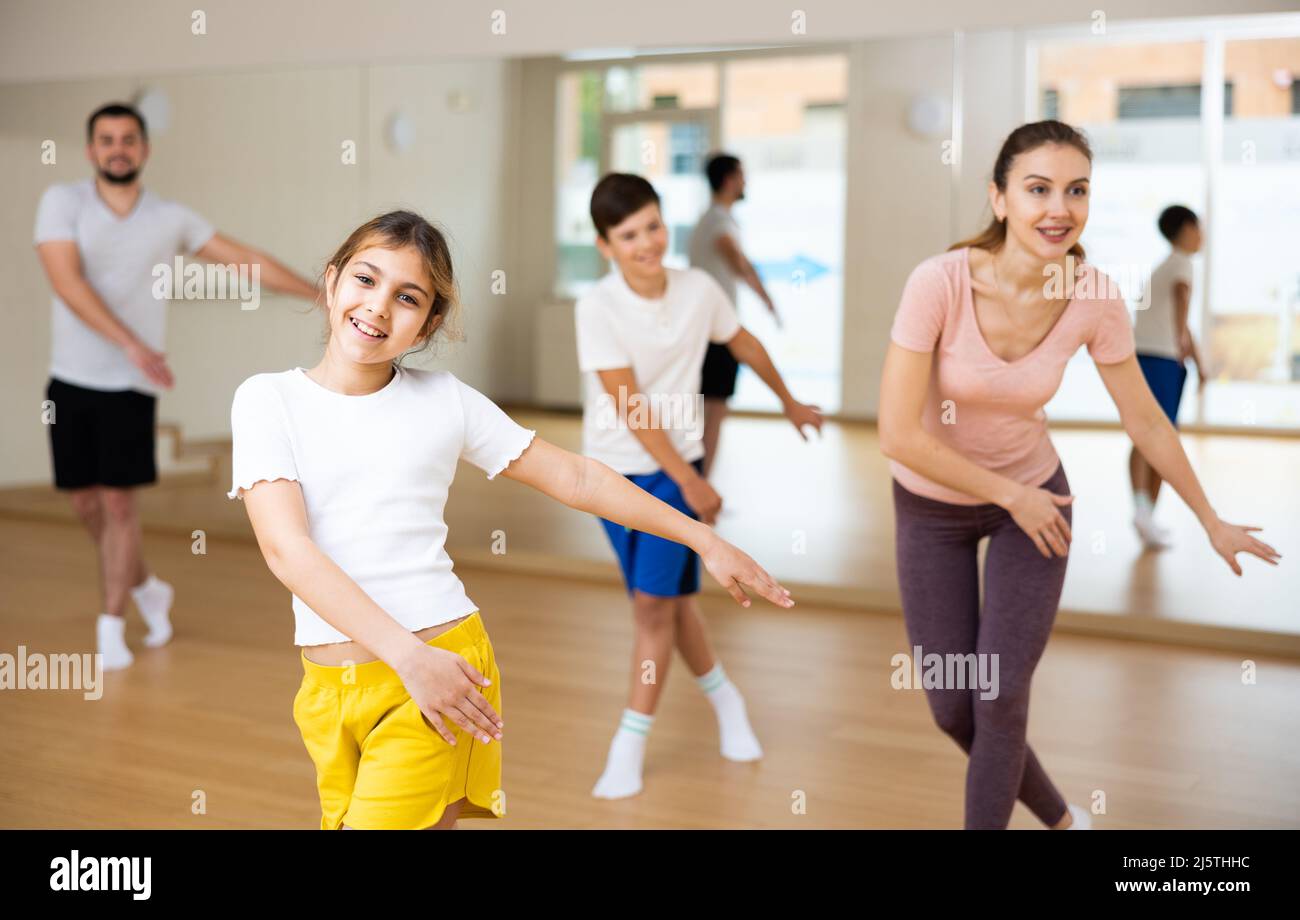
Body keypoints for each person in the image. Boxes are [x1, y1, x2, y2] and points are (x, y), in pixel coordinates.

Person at [228, 209, 795, 830]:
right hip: (327, 691)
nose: (379, 308)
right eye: (365, 280)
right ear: (332, 282)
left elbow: (576, 477)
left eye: (407, 297)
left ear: (429, 322)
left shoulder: (444, 400)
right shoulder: (267, 399)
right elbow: (287, 549)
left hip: (438, 665)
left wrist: (702, 538)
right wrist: (403, 658)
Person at [877, 120, 1280, 830]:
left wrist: (1210, 519)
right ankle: (1063, 819)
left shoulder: (1094, 295)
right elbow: (896, 433)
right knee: (953, 706)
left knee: (999, 696)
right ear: (999, 199)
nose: (1058, 208)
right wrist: (1009, 494)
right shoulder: (937, 283)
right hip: (937, 506)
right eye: (1037, 189)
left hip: (1036, 502)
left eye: (1076, 190)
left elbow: (1148, 420)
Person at [33, 102, 318, 670]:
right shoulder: (62, 203)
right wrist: (132, 342)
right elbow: (66, 281)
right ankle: (148, 588)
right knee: (86, 503)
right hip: (70, 381)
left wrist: (318, 293)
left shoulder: (169, 217)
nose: (119, 148)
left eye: (129, 139)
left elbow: (243, 259)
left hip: (131, 389)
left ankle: (112, 625)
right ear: (92, 150)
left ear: (144, 149)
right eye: (107, 139)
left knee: (119, 504)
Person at [576, 173, 823, 799]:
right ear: (606, 246)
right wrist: (695, 481)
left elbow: (744, 343)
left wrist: (790, 402)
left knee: (653, 609)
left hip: (673, 468)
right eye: (629, 235)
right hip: (609, 475)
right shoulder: (597, 306)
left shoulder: (699, 289)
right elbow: (628, 403)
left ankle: (628, 742)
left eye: (653, 226)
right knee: (666, 603)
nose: (647, 243)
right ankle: (727, 701)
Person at [687, 153, 781, 477]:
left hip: (708, 326)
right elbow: (738, 261)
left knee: (711, 407)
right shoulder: (718, 221)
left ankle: (697, 483)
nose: (745, 182)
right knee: (715, 407)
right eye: (741, 176)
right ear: (728, 180)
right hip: (714, 329)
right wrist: (766, 297)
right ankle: (700, 485)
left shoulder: (713, 218)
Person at [1129, 204, 1206, 548]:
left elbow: (1180, 318)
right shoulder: (1181, 265)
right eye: (1199, 227)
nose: (1202, 235)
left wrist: (1195, 358)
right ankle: (1145, 514)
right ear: (1186, 229)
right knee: (1159, 436)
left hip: (1147, 355)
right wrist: (1189, 355)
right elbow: (1182, 307)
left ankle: (1146, 515)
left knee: (1152, 435)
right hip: (1161, 359)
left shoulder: (1165, 265)